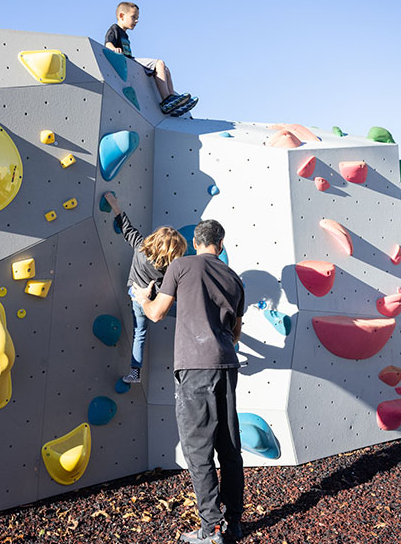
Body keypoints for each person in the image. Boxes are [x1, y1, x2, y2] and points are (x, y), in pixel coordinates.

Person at [133, 219, 245, 544]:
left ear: (196, 242)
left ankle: (211, 530)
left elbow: (155, 313)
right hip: (227, 365)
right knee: (230, 448)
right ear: (220, 245)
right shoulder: (235, 279)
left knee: (198, 452)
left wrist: (144, 297)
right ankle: (234, 523)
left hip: (195, 369)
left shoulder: (181, 266)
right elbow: (235, 334)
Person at [102, 192, 187, 384]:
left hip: (136, 299)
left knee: (139, 335)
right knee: (186, 311)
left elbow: (126, 226)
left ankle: (135, 372)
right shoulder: (170, 268)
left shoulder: (140, 247)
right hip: (155, 303)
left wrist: (115, 204)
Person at [104, 1, 197, 116]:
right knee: (160, 63)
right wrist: (114, 49)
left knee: (166, 70)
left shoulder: (125, 34)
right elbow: (108, 42)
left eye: (137, 18)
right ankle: (166, 99)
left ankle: (175, 101)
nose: (136, 21)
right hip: (129, 60)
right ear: (122, 16)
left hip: (130, 59)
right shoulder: (115, 29)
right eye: (134, 17)